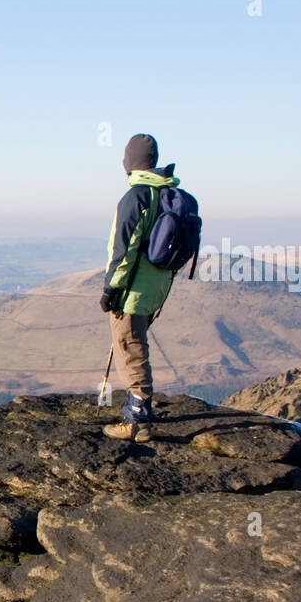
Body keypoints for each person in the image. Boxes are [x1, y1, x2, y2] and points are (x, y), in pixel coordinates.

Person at [99, 133, 182, 441]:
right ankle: (139, 408)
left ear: (131, 162)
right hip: (157, 286)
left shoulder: (136, 197)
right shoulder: (167, 194)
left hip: (132, 290)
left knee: (129, 347)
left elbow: (124, 250)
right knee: (137, 343)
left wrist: (111, 289)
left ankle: (137, 420)